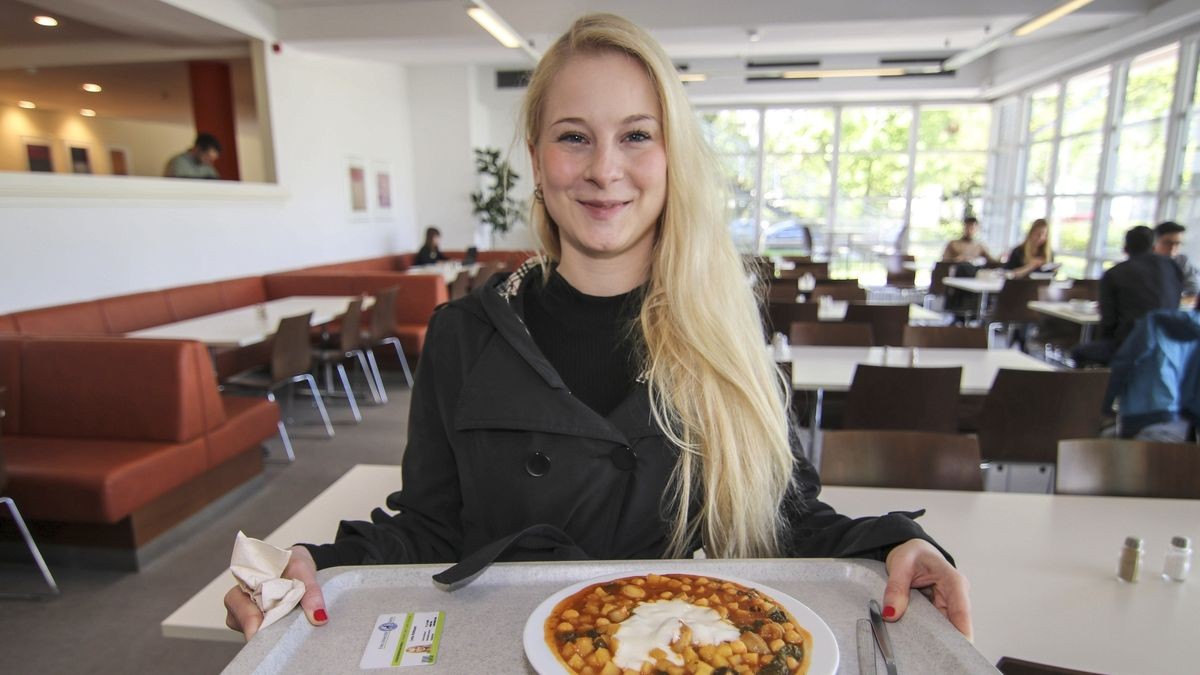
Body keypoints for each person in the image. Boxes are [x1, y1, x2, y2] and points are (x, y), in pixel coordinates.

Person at [225, 13, 971, 643]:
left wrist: (897, 543)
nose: (604, 169)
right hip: (505, 649)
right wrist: (314, 563)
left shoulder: (725, 328)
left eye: (637, 135)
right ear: (538, 162)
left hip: (674, 650)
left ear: (671, 154)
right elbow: (429, 528)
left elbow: (786, 517)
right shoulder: (463, 335)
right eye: (574, 137)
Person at [1072, 225, 1183, 366]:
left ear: (1125, 248)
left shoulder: (1114, 274)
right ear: (1154, 247)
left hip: (1130, 347)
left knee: (1079, 352)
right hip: (1167, 347)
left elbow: (1108, 321)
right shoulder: (1173, 268)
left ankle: (1094, 386)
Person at [1153, 221, 1199, 296]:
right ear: (1155, 242)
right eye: (1167, 243)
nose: (1172, 248)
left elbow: (1193, 288)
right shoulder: (1144, 262)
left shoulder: (1182, 261)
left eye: (1177, 243)